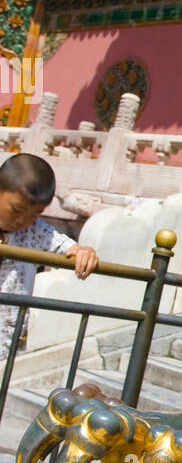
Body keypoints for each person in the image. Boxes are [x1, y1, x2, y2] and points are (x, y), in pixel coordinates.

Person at [0, 154, 98, 359]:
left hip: (7, 342)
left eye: (34, 214)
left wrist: (84, 251)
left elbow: (67, 246)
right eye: (17, 209)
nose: (22, 220)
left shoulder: (34, 231)